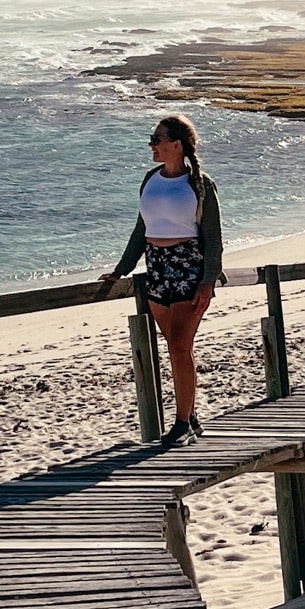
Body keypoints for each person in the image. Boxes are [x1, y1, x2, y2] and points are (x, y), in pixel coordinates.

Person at [101, 113, 222, 448]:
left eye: (156, 139)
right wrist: (121, 269)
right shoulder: (150, 179)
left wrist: (208, 281)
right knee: (175, 348)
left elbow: (213, 237)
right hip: (156, 267)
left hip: (189, 267)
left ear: (176, 144)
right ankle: (191, 415)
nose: (151, 145)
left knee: (180, 346)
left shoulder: (200, 184)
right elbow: (141, 230)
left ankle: (182, 423)